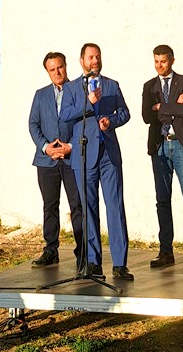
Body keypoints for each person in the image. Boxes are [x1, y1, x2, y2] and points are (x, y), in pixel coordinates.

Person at [60, 42, 132, 281]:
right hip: (83, 154)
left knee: (115, 207)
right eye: (91, 57)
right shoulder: (70, 89)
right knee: (88, 209)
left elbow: (125, 112)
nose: (95, 60)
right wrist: (89, 103)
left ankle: (120, 264)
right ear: (82, 60)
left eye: (98, 56)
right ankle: (93, 262)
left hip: (109, 155)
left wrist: (111, 121)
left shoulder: (112, 85)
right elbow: (65, 115)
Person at [142, 44, 183, 270]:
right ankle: (165, 252)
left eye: (163, 61)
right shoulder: (149, 86)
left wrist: (161, 106)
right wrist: (172, 106)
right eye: (156, 61)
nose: (159, 65)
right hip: (160, 146)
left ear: (171, 60)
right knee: (162, 200)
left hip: (182, 146)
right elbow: (146, 115)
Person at [28, 51, 83, 267]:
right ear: (47, 72)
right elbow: (33, 124)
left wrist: (70, 147)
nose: (57, 72)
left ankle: (83, 253)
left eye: (60, 67)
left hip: (73, 158)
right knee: (50, 205)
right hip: (46, 160)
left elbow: (83, 122)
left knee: (77, 205)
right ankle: (51, 250)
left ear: (66, 66)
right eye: (52, 69)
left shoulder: (78, 91)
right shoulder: (40, 95)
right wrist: (46, 147)